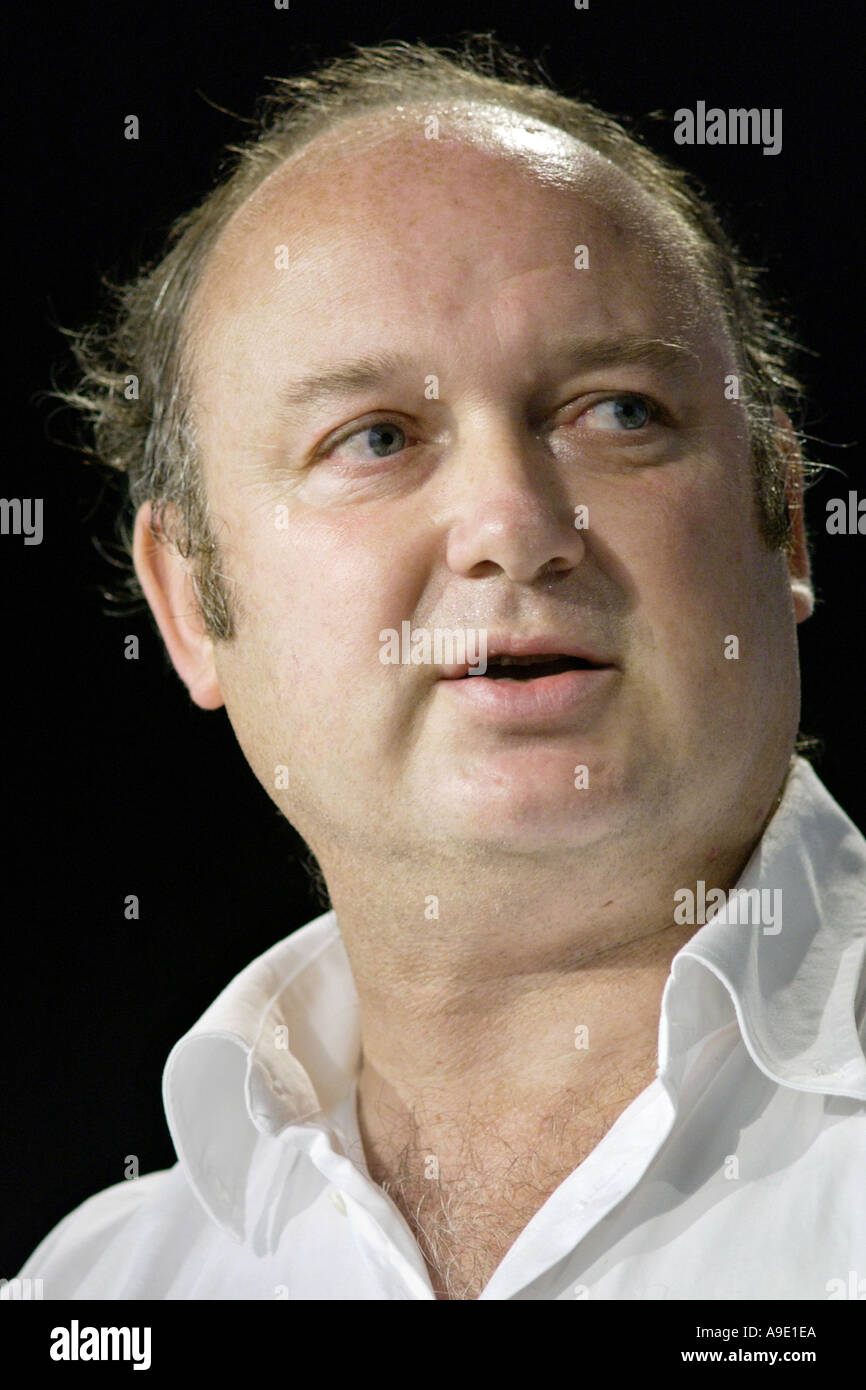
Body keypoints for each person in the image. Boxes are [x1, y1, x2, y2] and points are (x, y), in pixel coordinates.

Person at [16, 38, 866, 1302]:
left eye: (614, 409)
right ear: (191, 602)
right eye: (373, 437)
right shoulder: (97, 1294)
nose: (513, 522)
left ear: (781, 521)